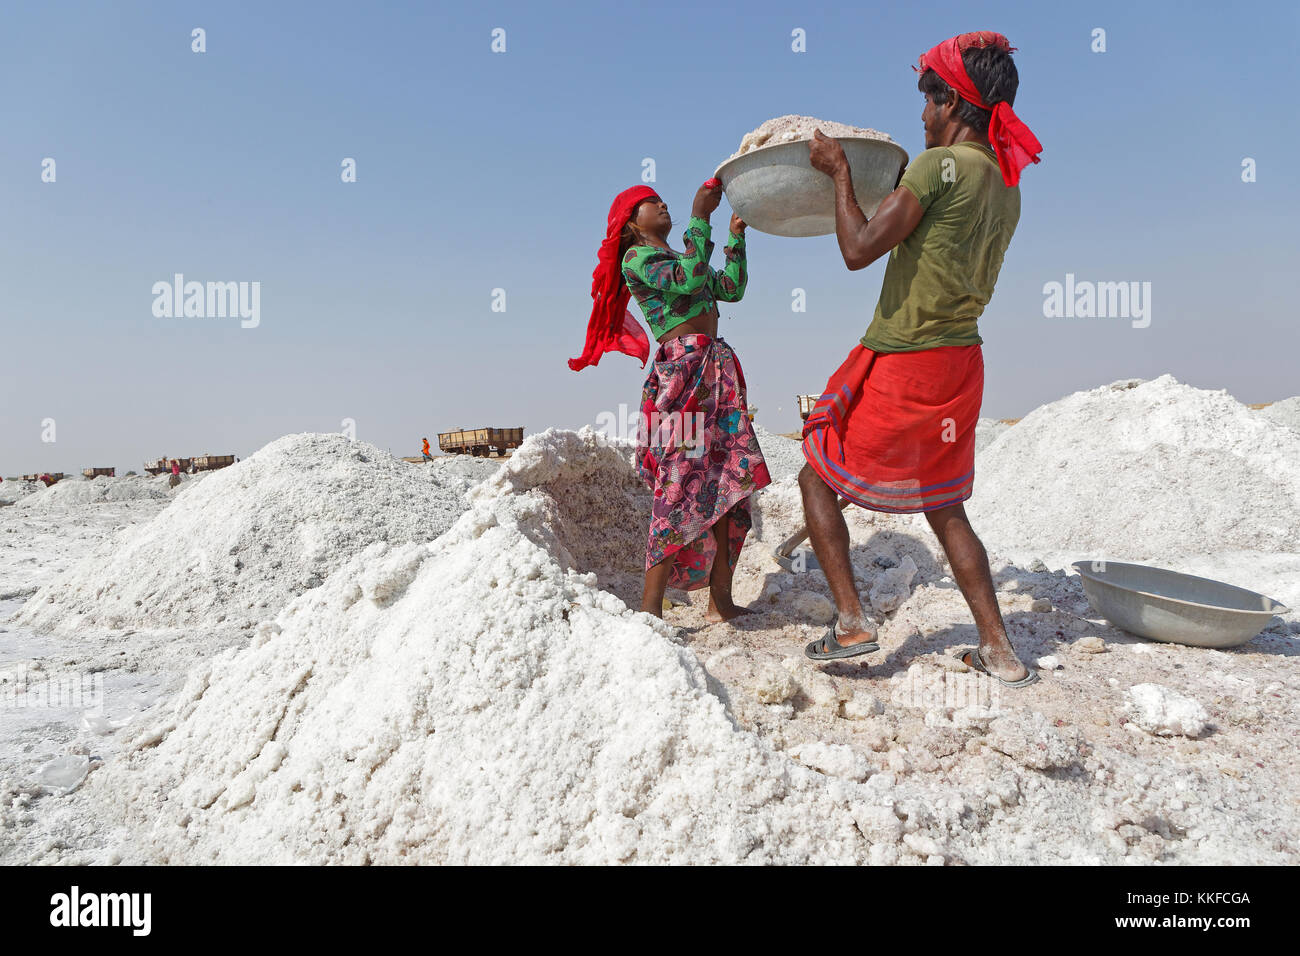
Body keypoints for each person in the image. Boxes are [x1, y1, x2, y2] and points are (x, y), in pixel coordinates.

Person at [797, 31, 1042, 687]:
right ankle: (999, 649)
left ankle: (851, 621)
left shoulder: (939, 167)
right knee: (946, 505)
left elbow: (858, 249)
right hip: (960, 363)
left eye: (927, 101)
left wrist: (841, 173)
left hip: (907, 358)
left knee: (816, 478)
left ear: (952, 100)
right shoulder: (1004, 183)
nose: (923, 115)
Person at [571, 181, 771, 622]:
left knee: (726, 482)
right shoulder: (637, 259)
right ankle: (650, 608)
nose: (662, 203)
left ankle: (720, 600)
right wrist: (702, 216)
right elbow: (690, 280)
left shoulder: (684, 255)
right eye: (650, 201)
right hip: (681, 375)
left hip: (715, 370)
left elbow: (730, 289)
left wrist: (735, 236)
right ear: (631, 222)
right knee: (679, 482)